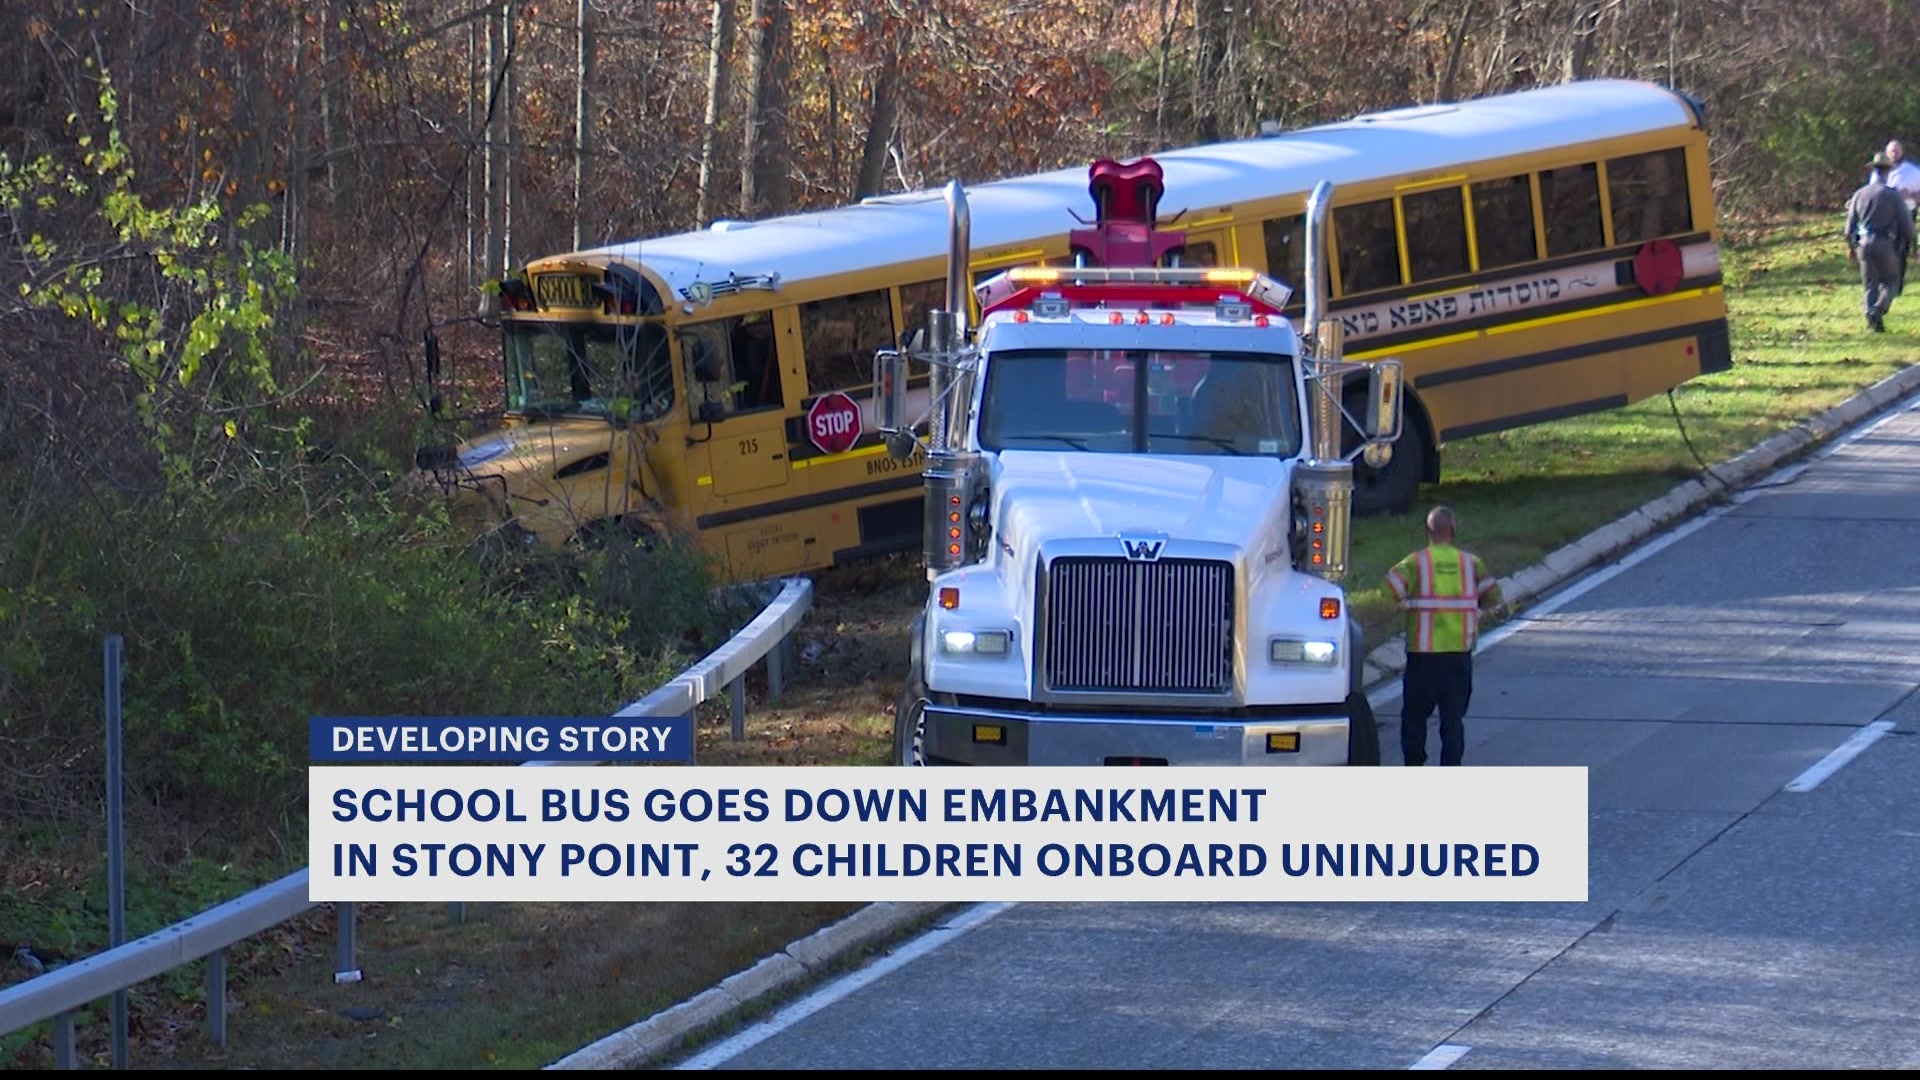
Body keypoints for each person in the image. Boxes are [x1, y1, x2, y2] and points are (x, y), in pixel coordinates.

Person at [1384, 506, 1501, 767]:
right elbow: (1493, 596)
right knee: (1453, 719)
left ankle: (1414, 765)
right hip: (1458, 654)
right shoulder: (1470, 563)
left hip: (1422, 654)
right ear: (1454, 531)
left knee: (1414, 717)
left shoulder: (1416, 562)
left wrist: (1405, 602)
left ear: (1428, 531)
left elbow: (1391, 585)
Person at [1846, 153, 1916, 333]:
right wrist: (1912, 244)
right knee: (1891, 281)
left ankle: (1872, 321)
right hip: (1885, 242)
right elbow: (1906, 224)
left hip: (1863, 243)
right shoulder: (1892, 196)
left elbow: (1849, 227)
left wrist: (1852, 246)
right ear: (1887, 173)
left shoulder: (1859, 194)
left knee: (1870, 283)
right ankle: (1879, 308)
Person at [1874, 142, 1920, 294]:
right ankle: (1884, 284)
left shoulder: (1913, 172)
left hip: (1906, 214)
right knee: (1885, 251)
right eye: (1891, 151)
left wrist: (1910, 195)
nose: (1894, 154)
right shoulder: (1877, 173)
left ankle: (1897, 285)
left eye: (1896, 151)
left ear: (1902, 152)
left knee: (1901, 251)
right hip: (1885, 217)